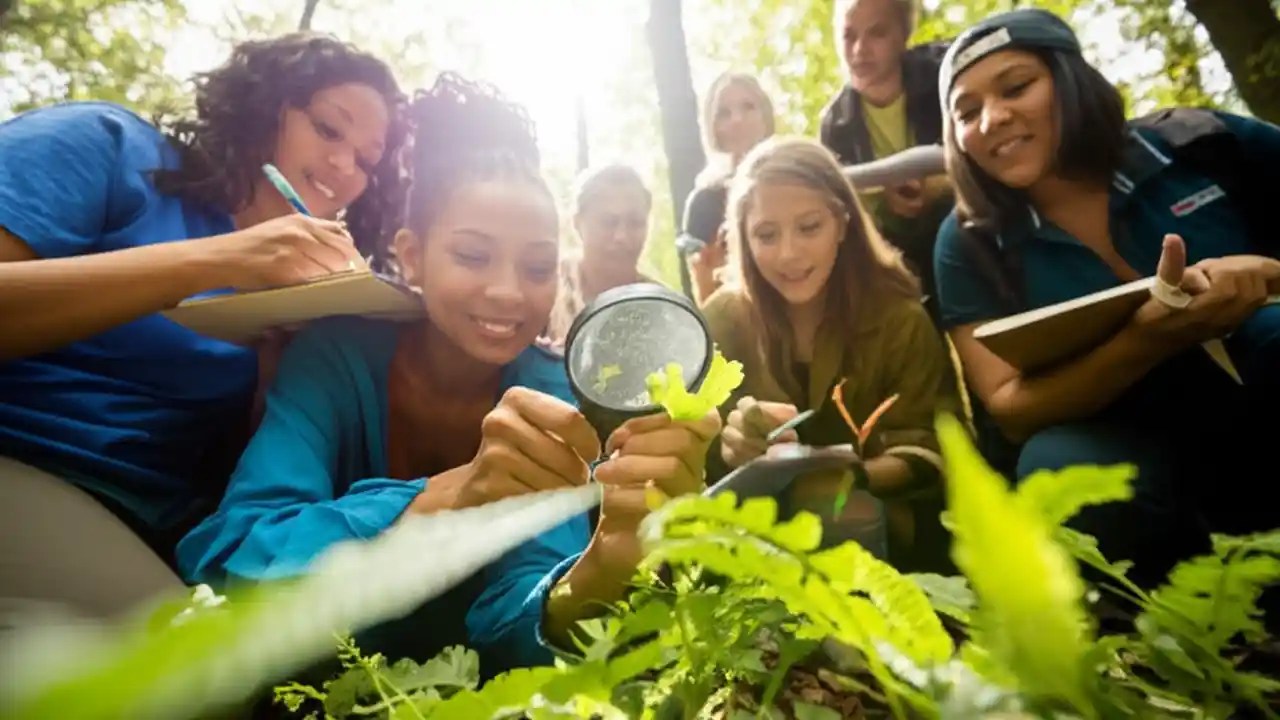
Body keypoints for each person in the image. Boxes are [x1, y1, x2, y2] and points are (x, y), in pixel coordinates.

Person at [176, 73, 721, 670]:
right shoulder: (335, 355)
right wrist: (450, 495)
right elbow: (232, 549)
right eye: (472, 255)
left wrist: (605, 564)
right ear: (412, 256)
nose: (508, 293)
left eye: (538, 267)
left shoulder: (555, 395)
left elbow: (524, 609)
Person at [0, 32, 407, 622]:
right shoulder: (109, 146)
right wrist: (222, 258)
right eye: (327, 128)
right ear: (265, 107)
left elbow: (241, 474)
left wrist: (278, 370)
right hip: (38, 465)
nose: (345, 168)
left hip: (167, 525)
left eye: (368, 161)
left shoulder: (298, 287)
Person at [932, 8, 1280, 586]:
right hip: (1124, 435)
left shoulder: (1200, 142)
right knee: (1055, 467)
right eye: (966, 112)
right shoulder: (967, 242)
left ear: (1069, 77)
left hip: (1259, 383)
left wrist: (1268, 272)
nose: (992, 119)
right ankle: (1182, 627)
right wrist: (1145, 339)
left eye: (1017, 87)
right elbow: (1010, 407)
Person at [703, 136, 959, 572]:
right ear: (743, 238)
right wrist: (733, 443)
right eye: (766, 234)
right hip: (750, 528)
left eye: (809, 227)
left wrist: (848, 473)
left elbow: (934, 448)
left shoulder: (898, 319)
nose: (788, 253)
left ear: (841, 223)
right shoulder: (720, 321)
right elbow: (695, 456)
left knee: (832, 508)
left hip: (886, 537)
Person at [820, 0, 952, 315]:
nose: (860, 49)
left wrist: (941, 185)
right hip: (894, 249)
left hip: (967, 221)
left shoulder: (945, 74)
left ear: (903, 35)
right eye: (848, 35)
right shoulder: (835, 124)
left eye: (876, 33)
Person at [681, 71, 775, 305]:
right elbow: (703, 295)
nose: (737, 120)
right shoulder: (704, 203)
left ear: (765, 116)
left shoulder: (798, 183)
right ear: (713, 127)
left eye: (748, 107)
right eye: (724, 113)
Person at [544, 163, 658, 344]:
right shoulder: (545, 293)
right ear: (578, 223)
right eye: (608, 222)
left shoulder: (663, 308)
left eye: (635, 222)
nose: (621, 236)